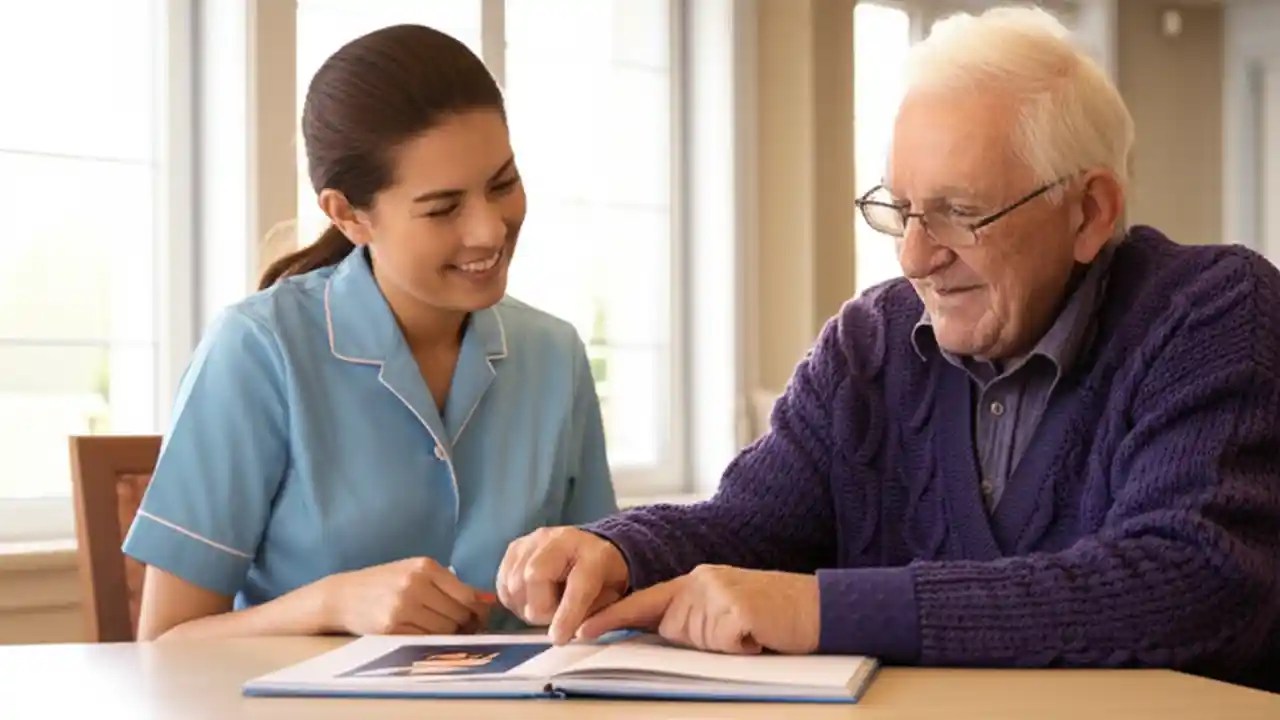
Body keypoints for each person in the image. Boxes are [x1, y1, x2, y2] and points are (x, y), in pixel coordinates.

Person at [496, 6, 1280, 691]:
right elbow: (749, 525)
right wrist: (618, 550)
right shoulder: (868, 343)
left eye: (957, 212)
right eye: (899, 209)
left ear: (1089, 214)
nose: (913, 258)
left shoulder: (1216, 312)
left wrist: (826, 608)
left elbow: (1192, 582)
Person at [123, 24, 617, 640]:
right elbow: (165, 644)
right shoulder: (258, 351)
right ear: (348, 214)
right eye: (442, 208)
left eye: (502, 184)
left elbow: (604, 606)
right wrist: (330, 605)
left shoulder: (556, 356)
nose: (490, 230)